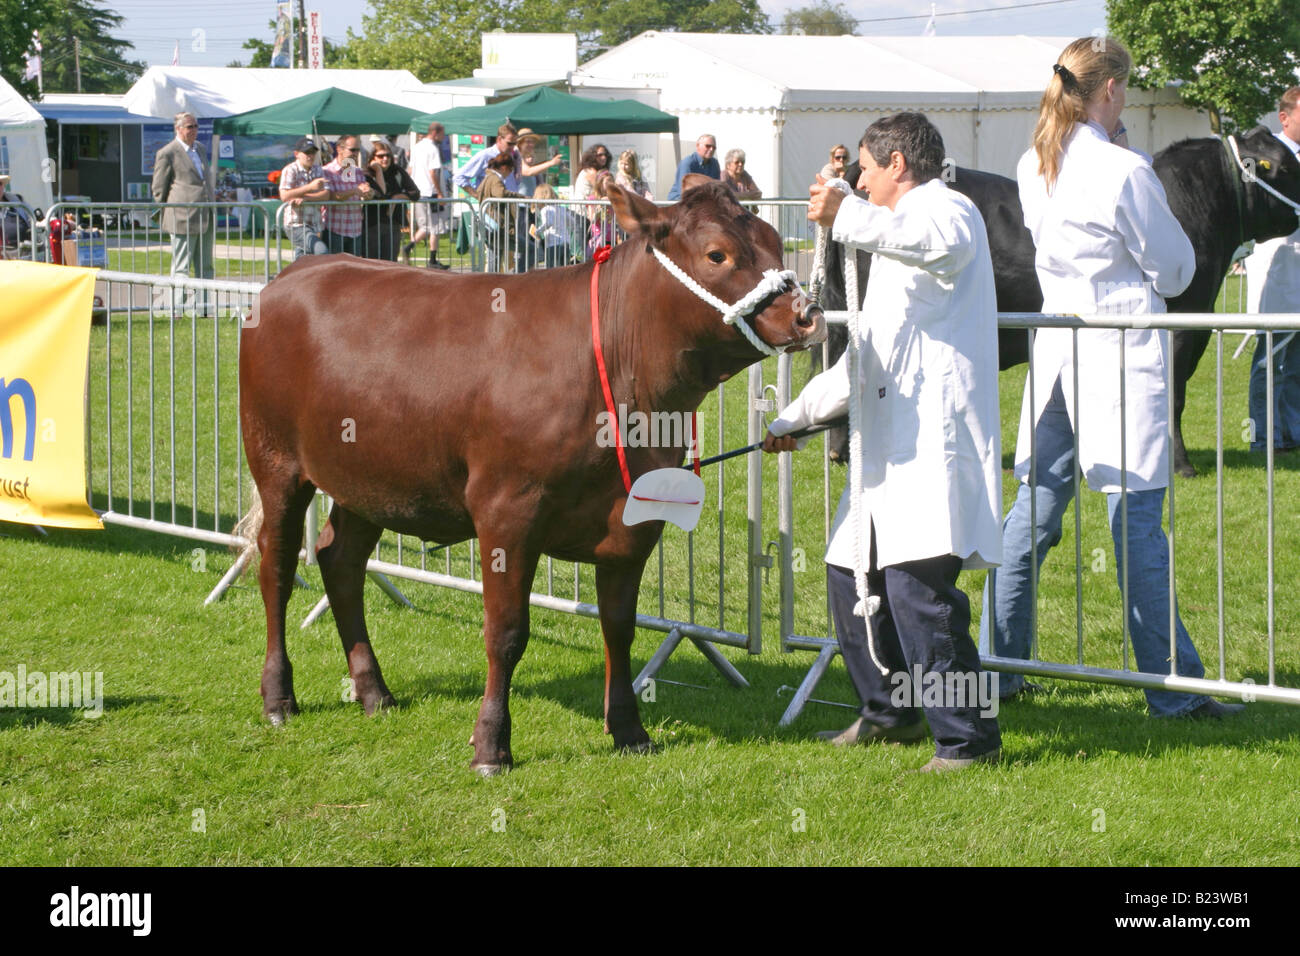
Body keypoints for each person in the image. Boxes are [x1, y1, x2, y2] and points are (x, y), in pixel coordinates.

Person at [981, 36, 1242, 719]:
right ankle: (1171, 688)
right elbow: (1178, 270)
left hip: (1060, 352)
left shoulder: (1035, 163)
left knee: (1034, 508)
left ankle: (1001, 660)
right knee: (1137, 524)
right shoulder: (1125, 171)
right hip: (1120, 354)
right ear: (1110, 91)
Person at [764, 112, 1004, 773]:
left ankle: (968, 738)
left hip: (934, 444)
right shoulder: (892, 242)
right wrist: (795, 418)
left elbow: (932, 245)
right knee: (849, 574)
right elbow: (864, 356)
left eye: (864, 170)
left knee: (920, 594)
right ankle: (888, 710)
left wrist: (844, 214)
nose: (859, 182)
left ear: (898, 163)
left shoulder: (946, 212)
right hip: (888, 453)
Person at [1244, 86, 1300, 455]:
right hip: (1275, 263)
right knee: (1269, 356)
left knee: (1295, 358)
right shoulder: (1263, 156)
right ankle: (1260, 437)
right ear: (1285, 117)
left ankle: (1291, 432)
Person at [150, 111, 216, 312]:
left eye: (196, 126)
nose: (194, 130)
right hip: (181, 216)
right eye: (190, 127)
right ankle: (177, 308)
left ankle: (203, 307)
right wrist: (166, 211)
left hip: (205, 213)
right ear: (178, 129)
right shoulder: (167, 152)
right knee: (182, 266)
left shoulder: (201, 149)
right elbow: (159, 188)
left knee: (206, 265)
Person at [364, 140, 420, 261]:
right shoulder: (367, 173)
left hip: (393, 224)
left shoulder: (397, 171)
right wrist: (378, 171)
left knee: (390, 263)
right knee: (372, 262)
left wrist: (397, 197)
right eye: (380, 156)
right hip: (372, 224)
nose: (385, 158)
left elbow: (415, 193)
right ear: (373, 157)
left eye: (388, 155)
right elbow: (381, 194)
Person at [405, 122, 451, 268]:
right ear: (435, 133)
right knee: (435, 226)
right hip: (430, 192)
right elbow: (433, 172)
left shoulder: (417, 147)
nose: (443, 138)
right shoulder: (432, 148)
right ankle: (431, 259)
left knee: (427, 226)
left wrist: (409, 188)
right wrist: (439, 193)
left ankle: (411, 248)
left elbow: (410, 170)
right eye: (442, 135)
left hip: (419, 192)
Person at [278, 137, 330, 261]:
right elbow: (284, 195)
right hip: (296, 223)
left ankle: (295, 279)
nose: (310, 156)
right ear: (296, 154)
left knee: (303, 258)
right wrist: (310, 187)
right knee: (321, 251)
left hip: (315, 223)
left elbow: (326, 195)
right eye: (307, 153)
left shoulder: (318, 170)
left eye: (313, 152)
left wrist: (305, 198)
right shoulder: (290, 170)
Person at [321, 134, 372, 256]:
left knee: (354, 272)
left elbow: (367, 195)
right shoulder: (327, 171)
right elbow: (331, 196)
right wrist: (354, 190)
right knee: (334, 270)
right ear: (339, 149)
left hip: (355, 229)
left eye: (358, 150)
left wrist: (369, 192)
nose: (356, 153)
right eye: (352, 150)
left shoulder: (358, 171)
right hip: (335, 229)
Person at [475, 151, 525, 272]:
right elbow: (500, 194)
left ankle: (492, 280)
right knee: (530, 249)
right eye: (511, 170)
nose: (510, 174)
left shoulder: (487, 178)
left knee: (494, 256)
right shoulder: (495, 179)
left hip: (490, 223)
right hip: (498, 223)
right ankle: (517, 275)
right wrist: (519, 196)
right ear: (504, 168)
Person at [454, 123, 520, 196]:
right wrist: (477, 196)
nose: (512, 147)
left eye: (514, 144)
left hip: (510, 204)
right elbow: (459, 177)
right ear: (499, 139)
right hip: (492, 205)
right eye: (509, 143)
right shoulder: (485, 155)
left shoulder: (513, 156)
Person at [529, 182, 579, 267]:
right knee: (564, 270)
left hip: (553, 245)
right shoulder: (562, 209)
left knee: (552, 271)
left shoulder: (545, 209)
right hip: (565, 244)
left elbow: (548, 223)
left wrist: (537, 231)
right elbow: (573, 223)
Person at [667, 134, 719, 200]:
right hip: (679, 202)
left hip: (702, 202)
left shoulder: (715, 164)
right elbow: (684, 193)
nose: (711, 149)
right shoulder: (688, 163)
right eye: (708, 146)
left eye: (714, 147)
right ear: (697, 146)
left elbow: (716, 189)